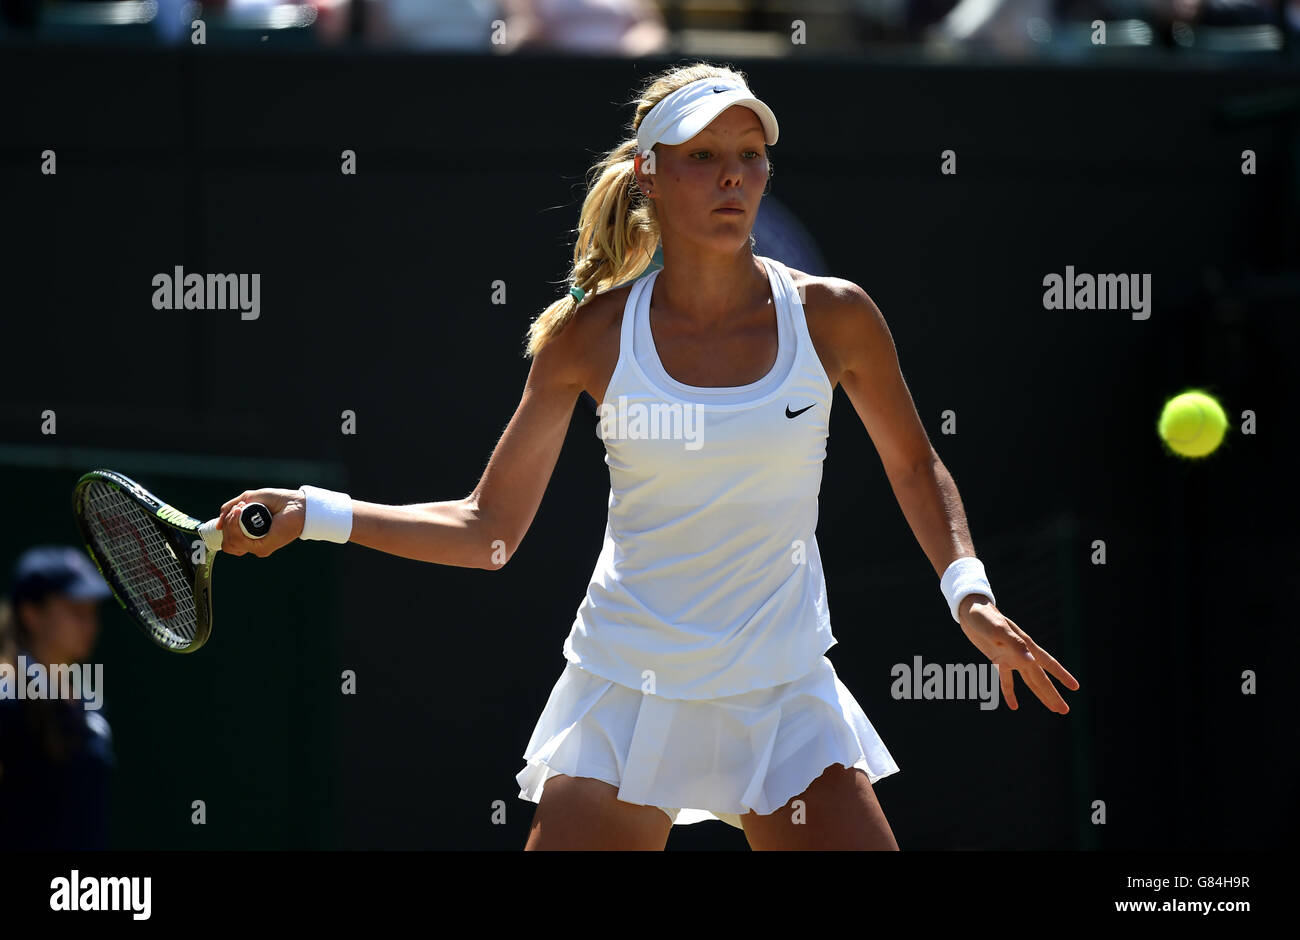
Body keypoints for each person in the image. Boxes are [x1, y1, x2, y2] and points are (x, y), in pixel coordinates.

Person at [213, 61, 1080, 851]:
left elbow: (913, 464)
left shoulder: (835, 317)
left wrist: (967, 593)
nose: (734, 175)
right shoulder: (586, 339)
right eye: (703, 156)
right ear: (649, 176)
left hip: (781, 693)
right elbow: (488, 531)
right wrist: (315, 513)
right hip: (628, 689)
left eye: (749, 153)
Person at [0, 546, 115, 850]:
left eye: (92, 611)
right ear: (31, 613)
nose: (89, 623)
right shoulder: (6, 700)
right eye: (76, 611)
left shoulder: (89, 700)